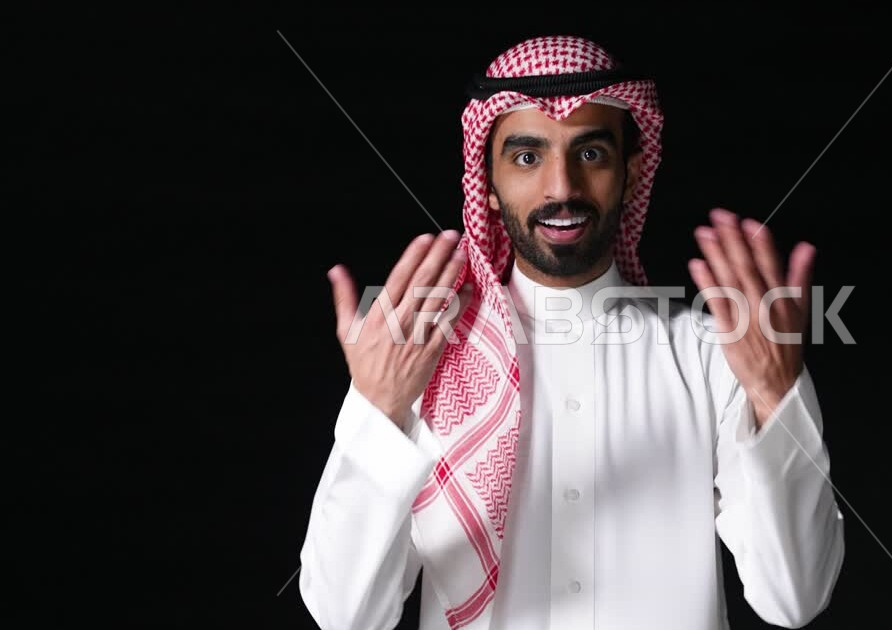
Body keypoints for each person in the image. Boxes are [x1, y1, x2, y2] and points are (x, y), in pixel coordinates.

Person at [298, 35, 845, 630]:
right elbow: (343, 614)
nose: (561, 188)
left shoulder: (715, 355)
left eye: (590, 155)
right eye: (528, 157)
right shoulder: (421, 361)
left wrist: (775, 397)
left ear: (633, 173)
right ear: (487, 182)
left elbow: (795, 597)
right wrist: (379, 413)